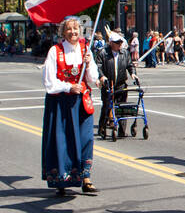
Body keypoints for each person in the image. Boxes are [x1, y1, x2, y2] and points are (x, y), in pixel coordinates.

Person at [42, 16, 101, 196]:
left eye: (76, 29)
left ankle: (86, 177)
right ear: (63, 32)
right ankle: (62, 178)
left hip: (81, 101)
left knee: (86, 138)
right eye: (69, 29)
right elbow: (49, 82)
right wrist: (68, 86)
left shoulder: (85, 50)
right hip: (61, 102)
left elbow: (92, 78)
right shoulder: (55, 51)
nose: (73, 32)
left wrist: (89, 63)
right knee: (63, 140)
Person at [97, 30, 133, 140]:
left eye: (120, 43)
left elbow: (130, 65)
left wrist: (133, 74)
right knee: (107, 106)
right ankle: (102, 128)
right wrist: (102, 76)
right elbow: (98, 67)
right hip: (108, 84)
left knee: (122, 107)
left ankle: (122, 131)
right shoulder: (103, 53)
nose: (120, 45)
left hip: (121, 84)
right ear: (111, 43)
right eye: (117, 43)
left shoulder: (125, 53)